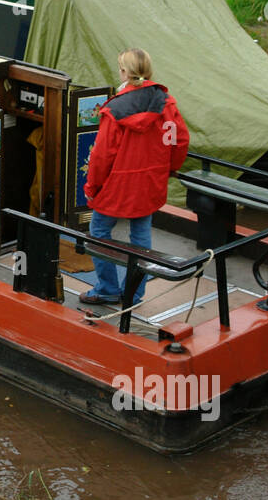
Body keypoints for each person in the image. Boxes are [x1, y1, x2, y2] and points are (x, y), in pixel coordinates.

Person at [80, 48, 189, 308]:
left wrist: (92, 187)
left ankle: (107, 289)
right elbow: (178, 139)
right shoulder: (166, 103)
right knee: (141, 236)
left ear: (124, 73)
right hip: (149, 181)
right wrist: (168, 169)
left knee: (98, 231)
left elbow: (102, 155)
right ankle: (134, 294)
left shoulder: (115, 109)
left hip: (118, 184)